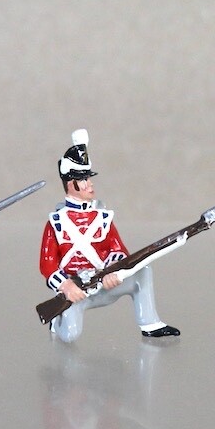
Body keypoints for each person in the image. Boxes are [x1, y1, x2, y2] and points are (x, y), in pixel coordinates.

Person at [39, 129, 180, 343]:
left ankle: (150, 324)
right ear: (71, 183)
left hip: (105, 285)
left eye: (88, 178)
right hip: (76, 293)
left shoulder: (102, 218)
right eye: (83, 179)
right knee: (69, 336)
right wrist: (67, 287)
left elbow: (118, 249)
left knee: (142, 272)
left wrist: (115, 271)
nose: (90, 183)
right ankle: (57, 320)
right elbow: (47, 264)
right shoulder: (57, 222)